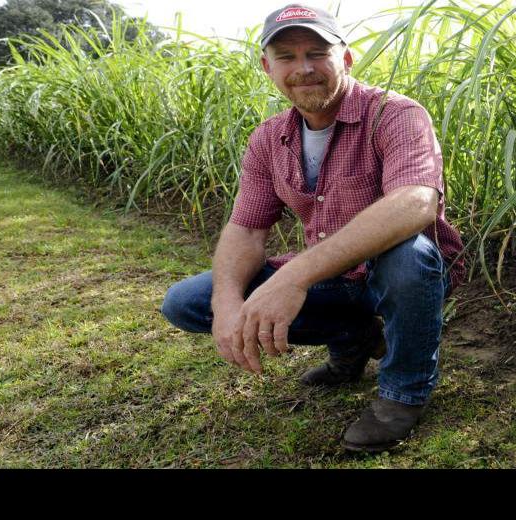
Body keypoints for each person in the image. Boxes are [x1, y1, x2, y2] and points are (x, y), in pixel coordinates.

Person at [159, 3, 465, 453]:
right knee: (187, 302)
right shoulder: (268, 139)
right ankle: (354, 337)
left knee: (409, 256)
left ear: (346, 57)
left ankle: (403, 393)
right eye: (286, 56)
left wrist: (294, 276)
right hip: (334, 280)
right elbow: (246, 229)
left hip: (397, 276)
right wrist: (227, 303)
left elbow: (414, 203)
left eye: (317, 53)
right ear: (268, 67)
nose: (303, 68)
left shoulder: (394, 114)